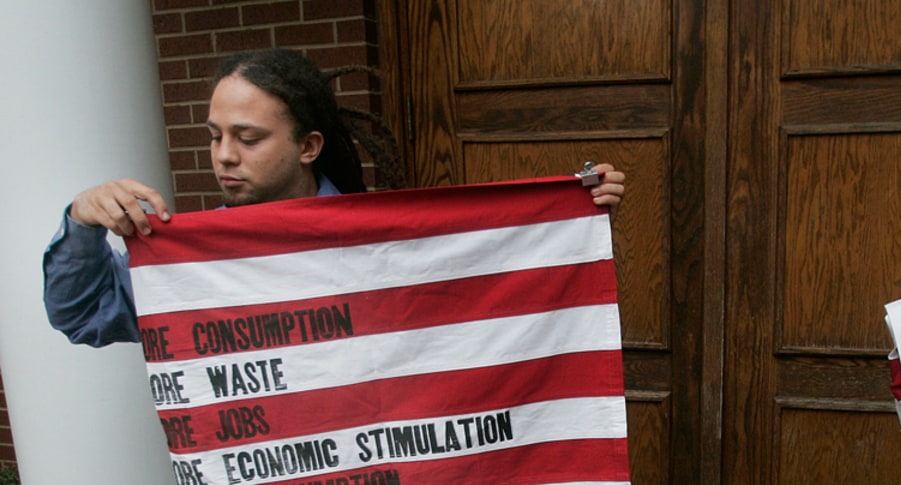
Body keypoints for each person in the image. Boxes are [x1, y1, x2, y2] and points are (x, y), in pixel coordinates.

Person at [43, 48, 626, 347]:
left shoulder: (386, 241)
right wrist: (82, 221)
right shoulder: (191, 263)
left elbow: (498, 298)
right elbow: (82, 316)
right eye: (215, 136)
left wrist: (573, 219)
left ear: (308, 146)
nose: (224, 156)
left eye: (248, 138)